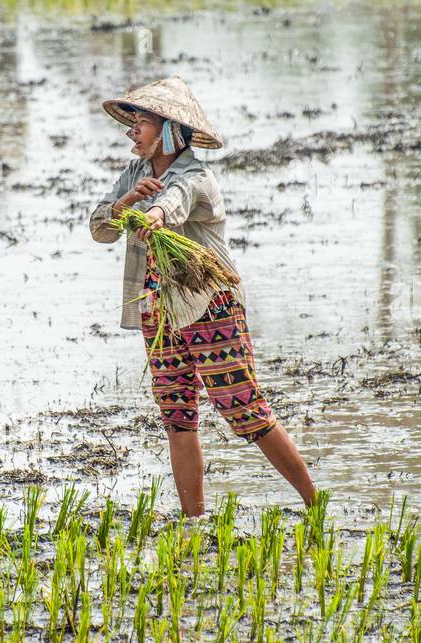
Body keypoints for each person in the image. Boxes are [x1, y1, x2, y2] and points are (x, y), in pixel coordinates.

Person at [89, 76, 317, 516]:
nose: (130, 131)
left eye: (141, 123)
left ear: (171, 130)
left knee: (244, 411)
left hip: (208, 305)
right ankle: (194, 523)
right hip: (158, 311)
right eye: (131, 123)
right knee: (177, 416)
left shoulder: (197, 176)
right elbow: (100, 228)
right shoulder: (134, 174)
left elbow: (172, 203)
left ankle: (315, 502)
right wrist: (122, 207)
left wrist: (150, 212)